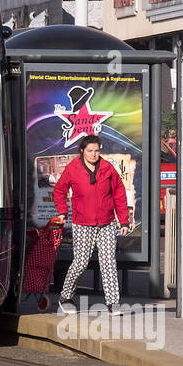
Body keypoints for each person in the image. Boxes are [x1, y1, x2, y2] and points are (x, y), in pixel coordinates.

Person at [51, 134, 130, 314]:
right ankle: (66, 296)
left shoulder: (107, 168)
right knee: (80, 262)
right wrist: (62, 211)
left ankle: (113, 302)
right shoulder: (73, 168)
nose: (94, 154)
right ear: (82, 151)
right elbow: (59, 190)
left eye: (97, 151)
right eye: (90, 151)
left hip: (107, 223)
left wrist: (123, 220)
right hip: (83, 223)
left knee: (108, 262)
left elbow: (119, 193)